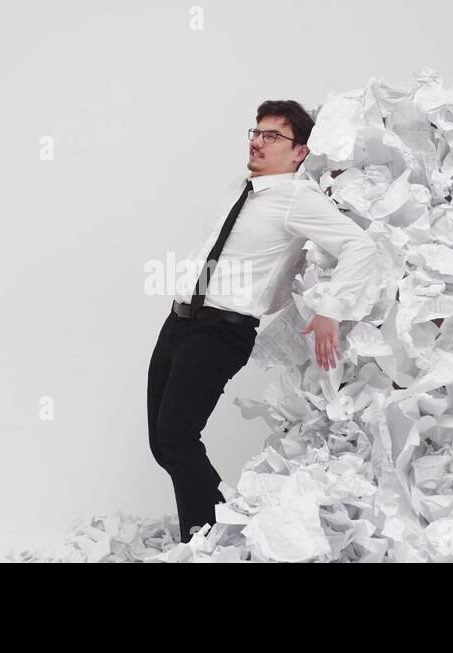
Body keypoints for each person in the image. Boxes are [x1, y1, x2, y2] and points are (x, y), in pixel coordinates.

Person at [146, 99, 379, 542]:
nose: (258, 141)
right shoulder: (245, 190)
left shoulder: (296, 199)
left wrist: (331, 307)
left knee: (177, 437)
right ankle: (207, 539)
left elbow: (358, 246)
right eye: (256, 132)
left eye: (272, 136)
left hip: (220, 331)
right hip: (179, 322)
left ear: (299, 152)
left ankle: (219, 539)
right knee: (163, 444)